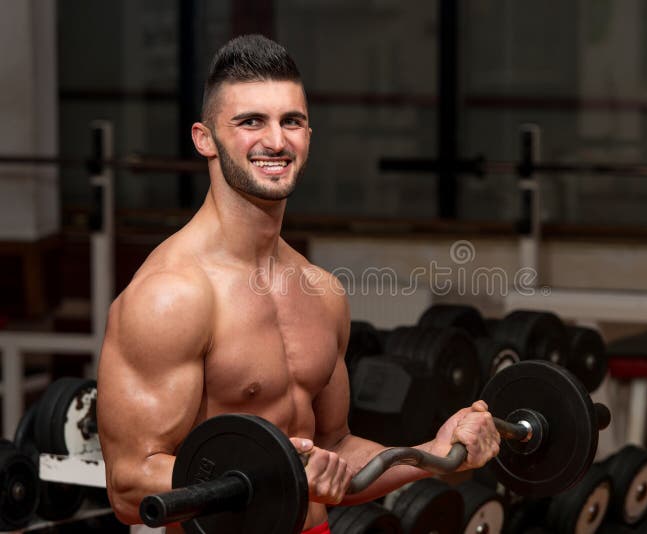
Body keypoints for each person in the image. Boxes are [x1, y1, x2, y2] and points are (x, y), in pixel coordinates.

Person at [96, 34, 500, 533]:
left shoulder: (322, 292)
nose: (276, 141)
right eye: (250, 122)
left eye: (292, 121)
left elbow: (336, 452)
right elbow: (130, 485)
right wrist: (278, 472)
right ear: (204, 139)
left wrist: (433, 453)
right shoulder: (171, 296)